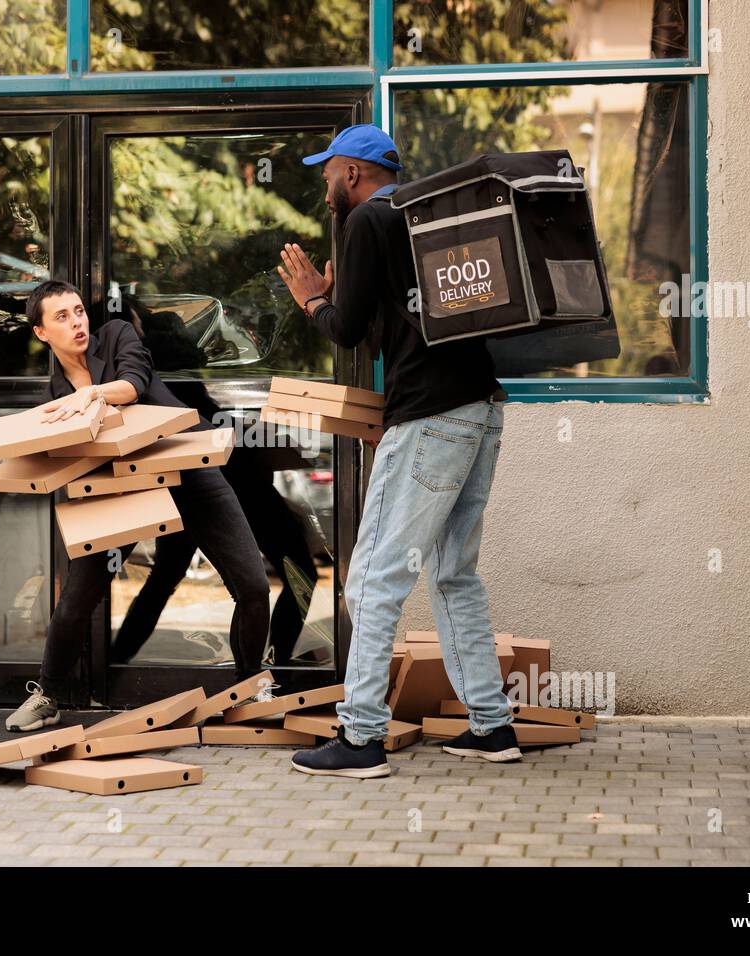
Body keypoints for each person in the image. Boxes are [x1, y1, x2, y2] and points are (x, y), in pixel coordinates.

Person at [275, 124, 519, 778]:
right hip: (482, 409)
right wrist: (342, 293)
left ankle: (360, 738)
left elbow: (347, 331)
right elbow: (398, 321)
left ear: (351, 173)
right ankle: (493, 728)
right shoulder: (420, 215)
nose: (325, 183)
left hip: (432, 417)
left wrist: (314, 301)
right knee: (452, 573)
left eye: (328, 170)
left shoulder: (365, 223)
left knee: (374, 575)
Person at [5, 279, 271, 731]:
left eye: (77, 311)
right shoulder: (52, 397)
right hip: (122, 488)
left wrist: (92, 394)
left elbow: (133, 383)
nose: (76, 323)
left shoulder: (115, 334)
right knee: (76, 598)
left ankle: (249, 686)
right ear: (41, 333)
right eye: (62, 317)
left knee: (253, 586)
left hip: (187, 469)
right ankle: (47, 695)